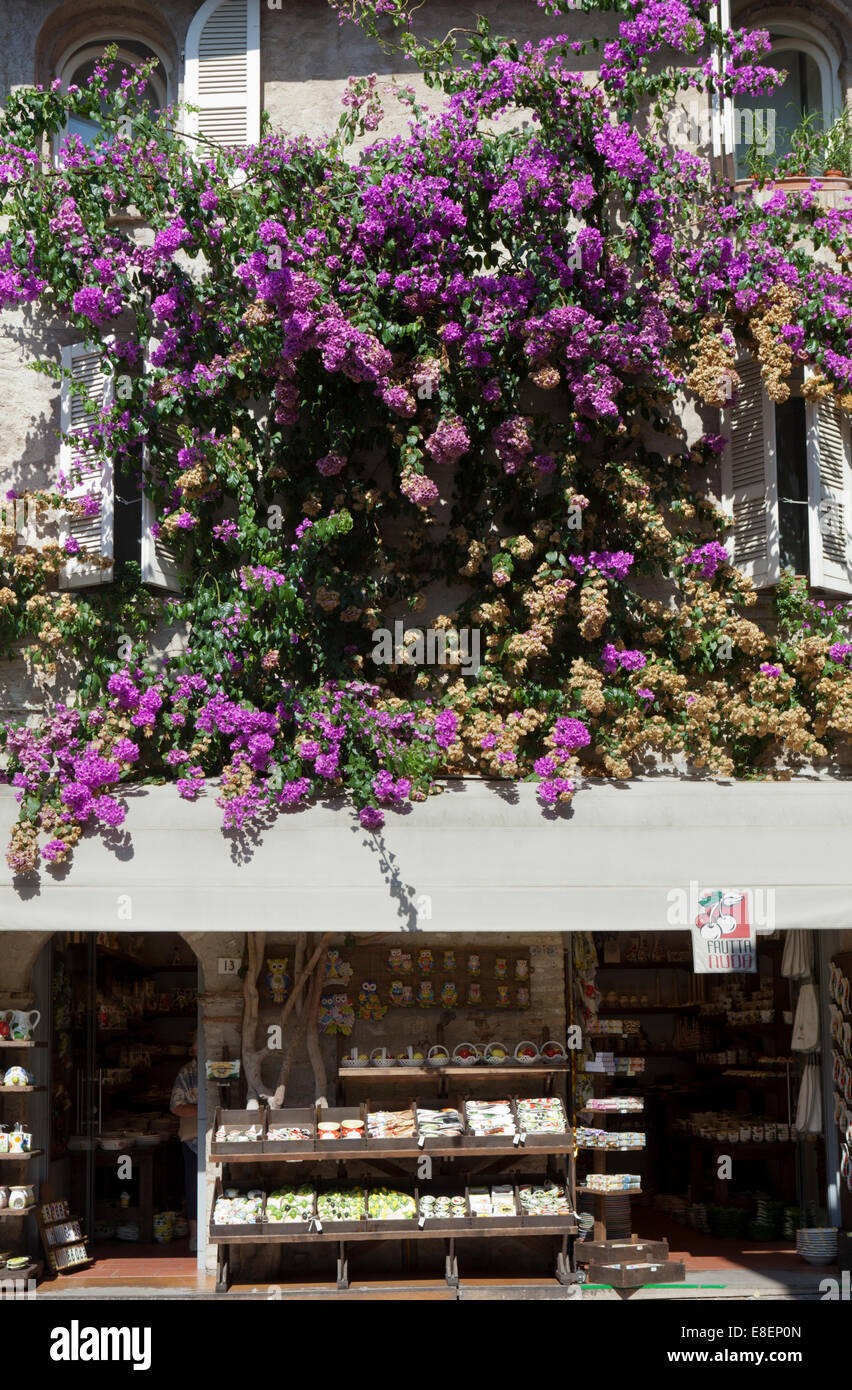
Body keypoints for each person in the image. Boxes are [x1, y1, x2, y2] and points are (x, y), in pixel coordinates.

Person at [170, 1030, 199, 1252]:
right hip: (193, 1140)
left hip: (220, 1135)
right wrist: (203, 1110)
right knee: (193, 1185)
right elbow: (176, 1106)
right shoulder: (187, 1072)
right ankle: (195, 1237)